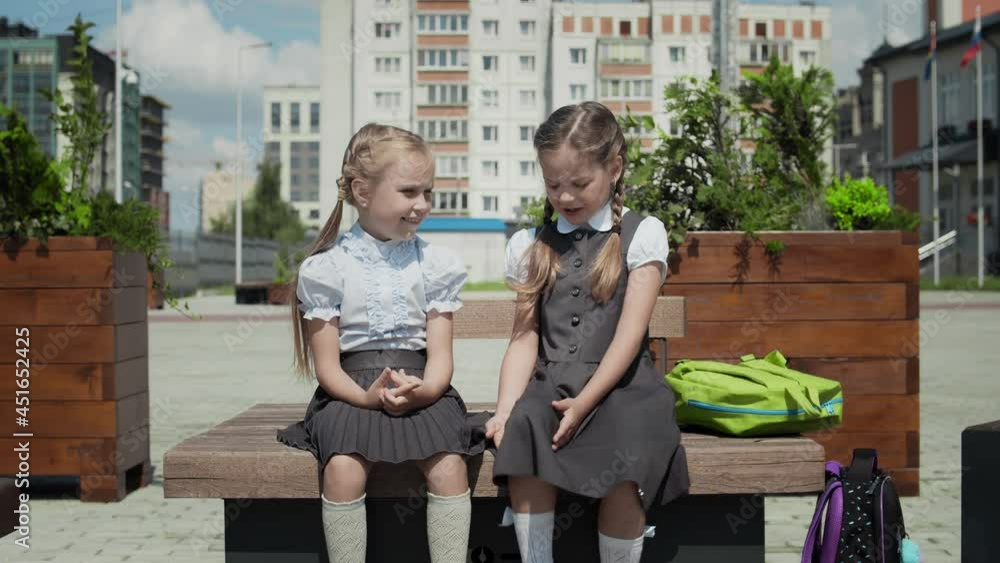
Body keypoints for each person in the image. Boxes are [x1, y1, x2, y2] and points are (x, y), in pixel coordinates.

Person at [486, 102, 689, 563]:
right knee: (527, 429)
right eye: (553, 184)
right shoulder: (531, 245)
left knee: (624, 452)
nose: (565, 196)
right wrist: (503, 410)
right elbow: (523, 339)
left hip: (623, 385)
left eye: (579, 184)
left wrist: (585, 402)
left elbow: (628, 337)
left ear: (614, 168)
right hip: (552, 381)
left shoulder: (640, 235)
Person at [277, 123, 487, 563]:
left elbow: (442, 357)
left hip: (423, 389)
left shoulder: (435, 264)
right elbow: (327, 367)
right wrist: (366, 398)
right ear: (362, 191)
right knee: (343, 468)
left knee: (449, 465)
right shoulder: (327, 269)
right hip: (349, 393)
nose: (422, 205)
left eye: (427, 192)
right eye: (409, 191)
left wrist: (426, 390)